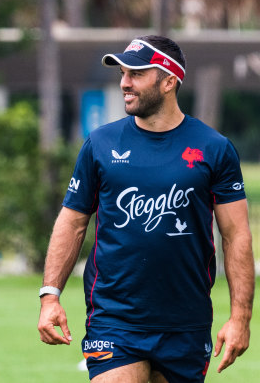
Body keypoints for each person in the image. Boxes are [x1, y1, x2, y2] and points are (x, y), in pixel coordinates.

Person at [37, 35, 254, 383]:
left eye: (136, 73)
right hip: (115, 319)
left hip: (186, 322)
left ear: (169, 82)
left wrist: (240, 317)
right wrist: (50, 296)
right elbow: (73, 221)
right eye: (123, 73)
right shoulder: (100, 144)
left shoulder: (214, 148)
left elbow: (236, 235)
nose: (124, 82)